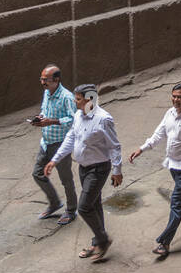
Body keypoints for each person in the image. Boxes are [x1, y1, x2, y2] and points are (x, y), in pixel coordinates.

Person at [44, 84, 123, 262]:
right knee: (94, 205)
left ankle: (103, 239)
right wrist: (54, 159)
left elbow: (114, 146)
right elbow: (71, 137)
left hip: (99, 168)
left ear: (90, 100)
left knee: (84, 207)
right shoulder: (79, 116)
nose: (75, 102)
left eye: (78, 99)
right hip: (83, 168)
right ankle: (98, 242)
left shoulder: (104, 119)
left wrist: (117, 170)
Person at [129, 83, 181, 259]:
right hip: (173, 165)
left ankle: (164, 242)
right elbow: (158, 134)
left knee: (177, 203)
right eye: (174, 96)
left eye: (180, 97)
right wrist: (141, 149)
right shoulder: (169, 114)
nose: (176, 100)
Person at [31, 64, 77, 226]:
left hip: (61, 145)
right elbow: (45, 110)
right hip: (46, 142)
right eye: (41, 79)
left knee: (66, 179)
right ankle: (55, 203)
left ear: (56, 80)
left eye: (46, 80)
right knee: (38, 174)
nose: (42, 82)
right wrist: (40, 118)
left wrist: (53, 121)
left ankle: (71, 210)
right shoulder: (46, 93)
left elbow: (73, 120)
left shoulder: (67, 97)